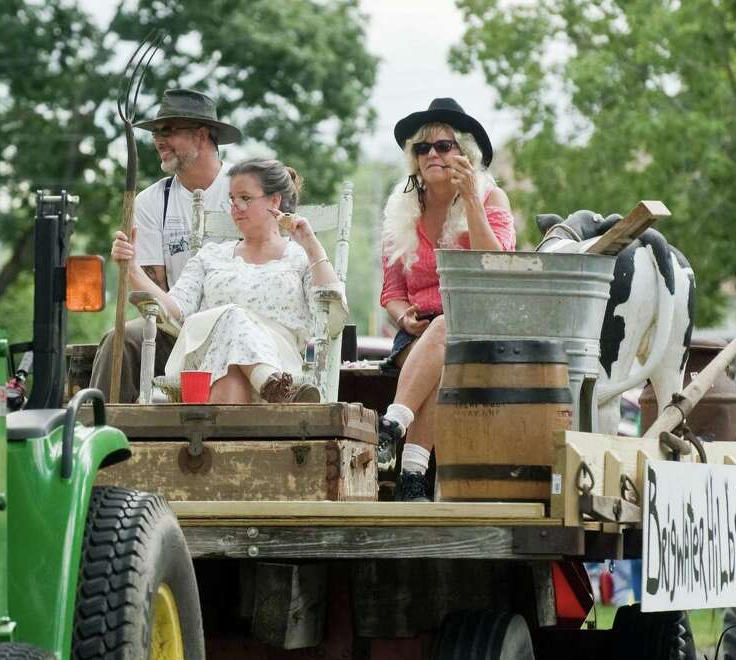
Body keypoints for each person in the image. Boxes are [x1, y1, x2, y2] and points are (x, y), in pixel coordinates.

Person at [110, 158, 342, 403]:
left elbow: (332, 318)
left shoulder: (300, 257)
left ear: (274, 201)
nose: (236, 207)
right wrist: (133, 269)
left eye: (245, 198)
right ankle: (269, 383)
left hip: (278, 358)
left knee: (231, 363)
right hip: (211, 358)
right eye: (232, 199)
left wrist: (312, 246)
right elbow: (175, 309)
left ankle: (264, 385)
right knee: (232, 319)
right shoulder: (211, 256)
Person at [375, 98, 516, 501]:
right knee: (441, 344)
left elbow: (499, 266)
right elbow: (392, 294)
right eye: (422, 148)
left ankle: (392, 424)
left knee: (446, 331)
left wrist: (470, 200)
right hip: (417, 335)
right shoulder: (400, 209)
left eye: (443, 146)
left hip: (479, 325)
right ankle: (412, 476)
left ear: (465, 153)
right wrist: (403, 319)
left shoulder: (490, 198)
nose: (432, 155)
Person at [90, 88, 240, 402]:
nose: (159, 140)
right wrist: (131, 268)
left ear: (201, 134)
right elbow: (152, 298)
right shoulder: (150, 202)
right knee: (121, 339)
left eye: (169, 130)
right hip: (175, 329)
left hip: (237, 330)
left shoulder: (242, 190)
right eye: (156, 132)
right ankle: (104, 426)